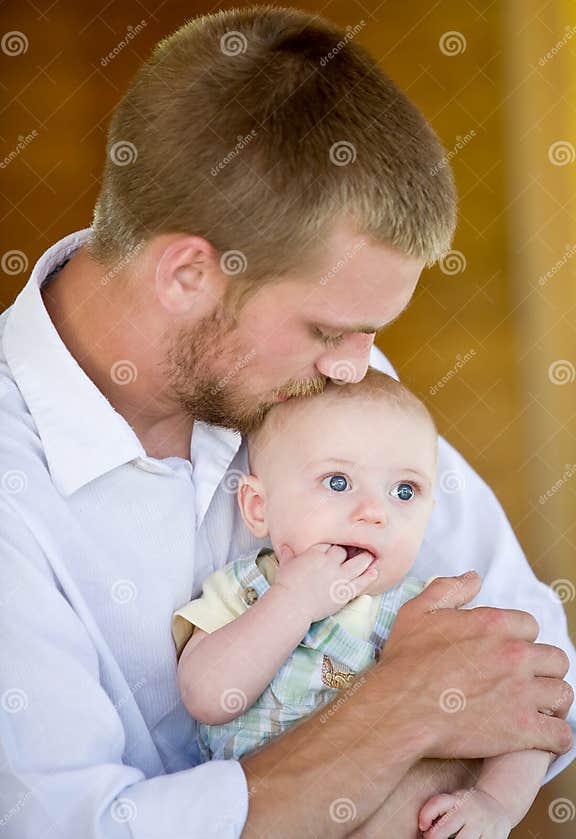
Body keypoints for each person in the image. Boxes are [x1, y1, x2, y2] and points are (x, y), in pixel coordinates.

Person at [0, 5, 574, 839]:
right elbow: (76, 827)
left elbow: (533, 669)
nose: (357, 367)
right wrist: (400, 713)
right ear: (189, 274)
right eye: (327, 329)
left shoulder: (320, 378)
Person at [173, 369, 559, 838]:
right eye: (337, 482)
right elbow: (208, 697)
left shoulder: (429, 612)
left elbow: (529, 716)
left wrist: (494, 804)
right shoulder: (247, 590)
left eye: (404, 492)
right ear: (259, 507)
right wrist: (292, 601)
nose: (374, 513)